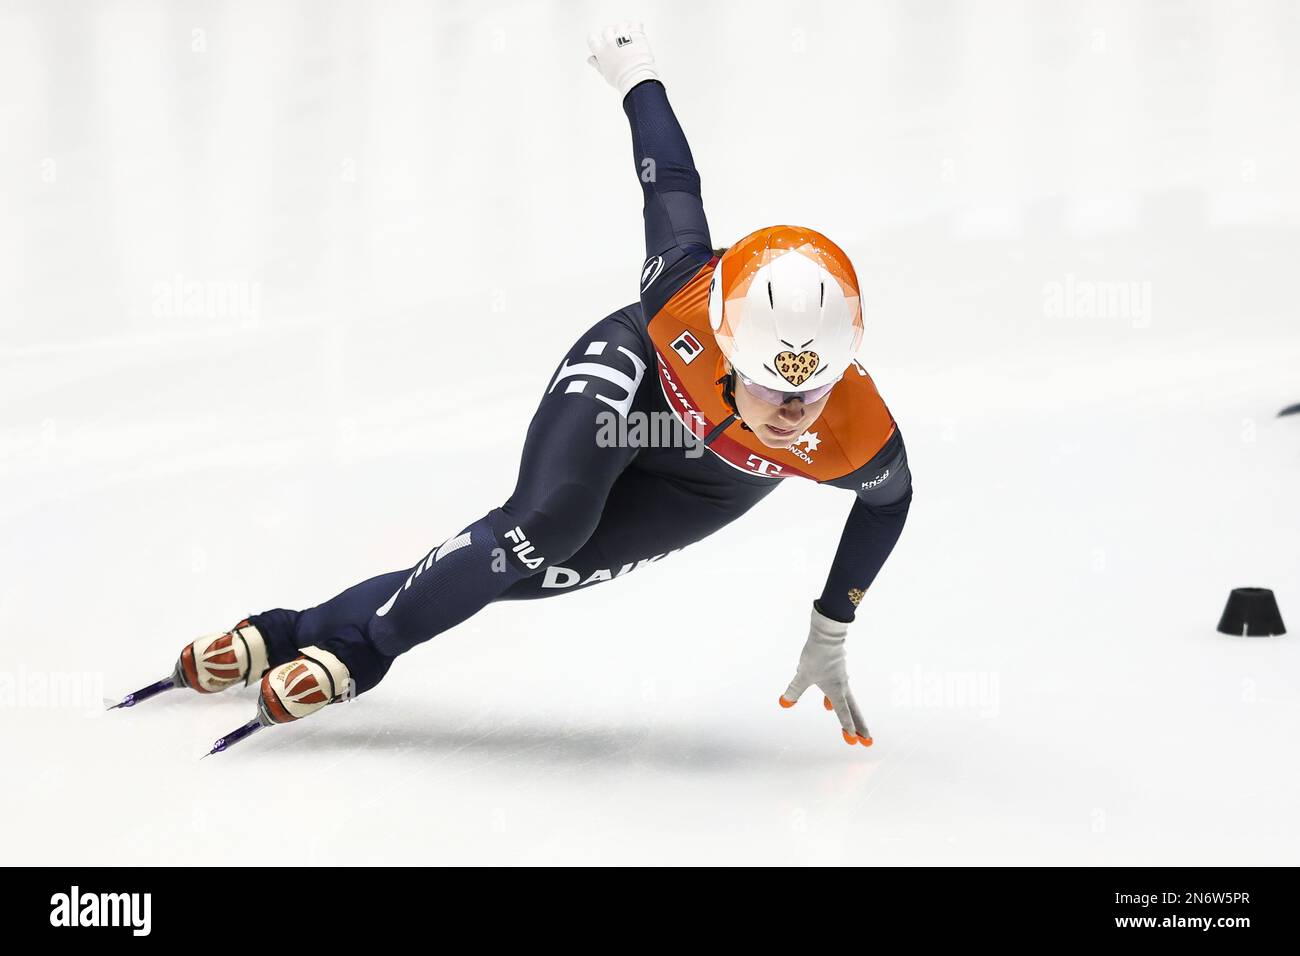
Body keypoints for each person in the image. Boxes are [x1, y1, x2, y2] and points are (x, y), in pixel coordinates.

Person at [164, 24, 912, 749]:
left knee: (531, 572)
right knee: (542, 526)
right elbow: (671, 178)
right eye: (768, 387)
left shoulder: (856, 432)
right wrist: (635, 72)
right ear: (723, 344)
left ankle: (290, 630)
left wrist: (829, 629)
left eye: (812, 392)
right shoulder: (684, 292)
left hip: (710, 485)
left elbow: (889, 505)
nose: (790, 415)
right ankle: (363, 653)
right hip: (637, 386)